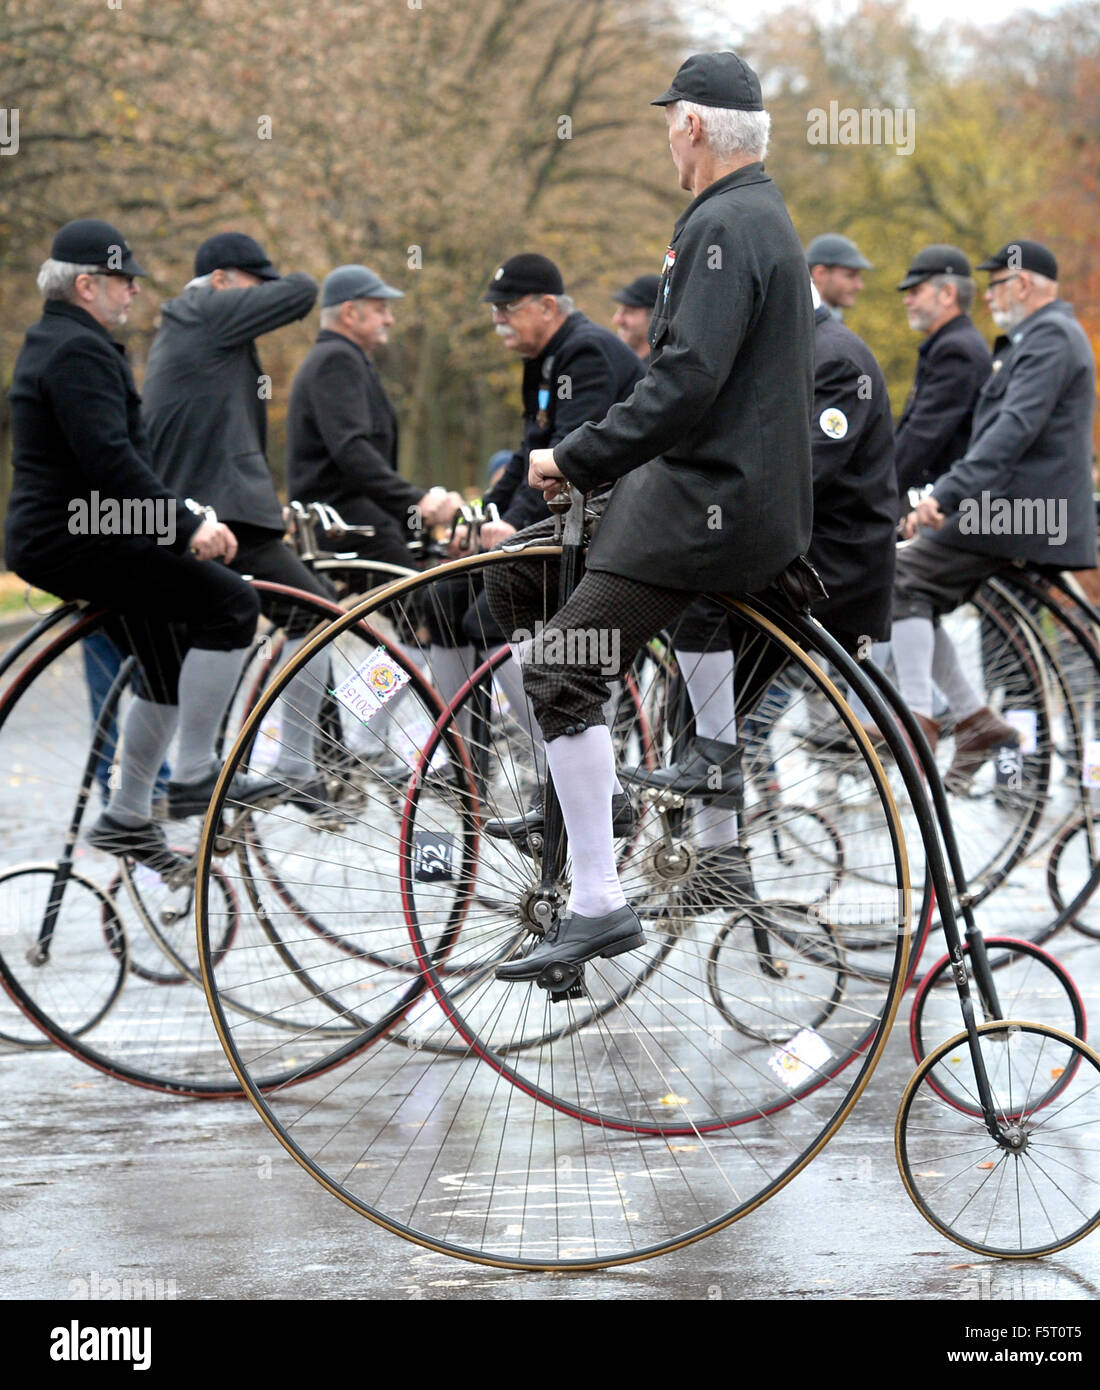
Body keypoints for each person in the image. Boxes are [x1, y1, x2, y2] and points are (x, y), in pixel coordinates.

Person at [484, 51, 814, 981]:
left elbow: (684, 383)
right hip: (702, 494)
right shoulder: (751, 216)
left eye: (670, 121)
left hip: (708, 507)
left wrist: (574, 457)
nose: (668, 137)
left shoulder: (723, 226)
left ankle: (597, 899)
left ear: (695, 126)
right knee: (513, 576)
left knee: (557, 668)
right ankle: (580, 790)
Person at [4, 219, 275, 871]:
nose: (133, 293)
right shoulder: (77, 350)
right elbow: (110, 460)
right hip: (78, 533)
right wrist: (184, 527)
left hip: (82, 529)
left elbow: (117, 463)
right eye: (124, 280)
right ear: (87, 284)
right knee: (232, 605)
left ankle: (128, 816)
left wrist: (172, 523)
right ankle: (196, 773)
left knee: (166, 657)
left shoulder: (63, 341)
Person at [632, 279, 899, 829]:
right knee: (698, 698)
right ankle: (714, 845)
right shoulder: (801, 353)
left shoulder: (835, 359)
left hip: (831, 564)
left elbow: (798, 474)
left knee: (702, 589)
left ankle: (715, 822)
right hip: (799, 545)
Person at [892, 239, 1098, 778]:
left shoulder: (1050, 340)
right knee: (908, 579)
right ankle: (972, 718)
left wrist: (944, 495)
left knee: (896, 577)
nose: (985, 297)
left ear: (1023, 284)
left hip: (1029, 512)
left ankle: (921, 716)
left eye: (995, 285)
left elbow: (1010, 434)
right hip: (1014, 506)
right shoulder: (1036, 339)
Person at [426, 253, 645, 746]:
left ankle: (558, 761)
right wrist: (483, 516)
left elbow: (568, 461)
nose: (498, 319)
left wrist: (515, 529)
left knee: (486, 617)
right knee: (442, 598)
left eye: (507, 306)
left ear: (548, 306)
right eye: (494, 310)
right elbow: (531, 452)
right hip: (572, 516)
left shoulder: (585, 352)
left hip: (611, 520)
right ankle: (459, 760)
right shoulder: (544, 358)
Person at [142, 233, 335, 791]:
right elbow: (301, 292)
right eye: (256, 283)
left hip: (215, 504)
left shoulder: (196, 329)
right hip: (219, 513)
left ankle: (140, 801)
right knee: (320, 618)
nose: (262, 296)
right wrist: (288, 280)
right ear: (223, 280)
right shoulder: (202, 310)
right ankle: (293, 766)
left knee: (199, 639)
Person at [286, 264, 463, 570]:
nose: (390, 320)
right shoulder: (336, 360)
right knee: (418, 607)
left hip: (350, 516)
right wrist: (415, 500)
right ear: (350, 313)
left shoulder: (342, 357)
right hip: (346, 520)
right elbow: (351, 449)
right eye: (381, 309)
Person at [894, 245, 992, 500]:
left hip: (951, 507)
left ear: (948, 293)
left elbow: (921, 436)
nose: (907, 300)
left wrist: (874, 491)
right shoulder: (950, 344)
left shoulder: (957, 350)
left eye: (916, 291)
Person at [805, 233, 871, 319]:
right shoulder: (807, 326)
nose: (859, 286)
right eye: (850, 276)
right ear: (820, 273)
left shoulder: (810, 321)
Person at [611, 274, 661, 359]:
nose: (617, 319)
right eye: (620, 311)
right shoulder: (617, 365)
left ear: (654, 320)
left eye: (629, 312)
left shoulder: (665, 370)